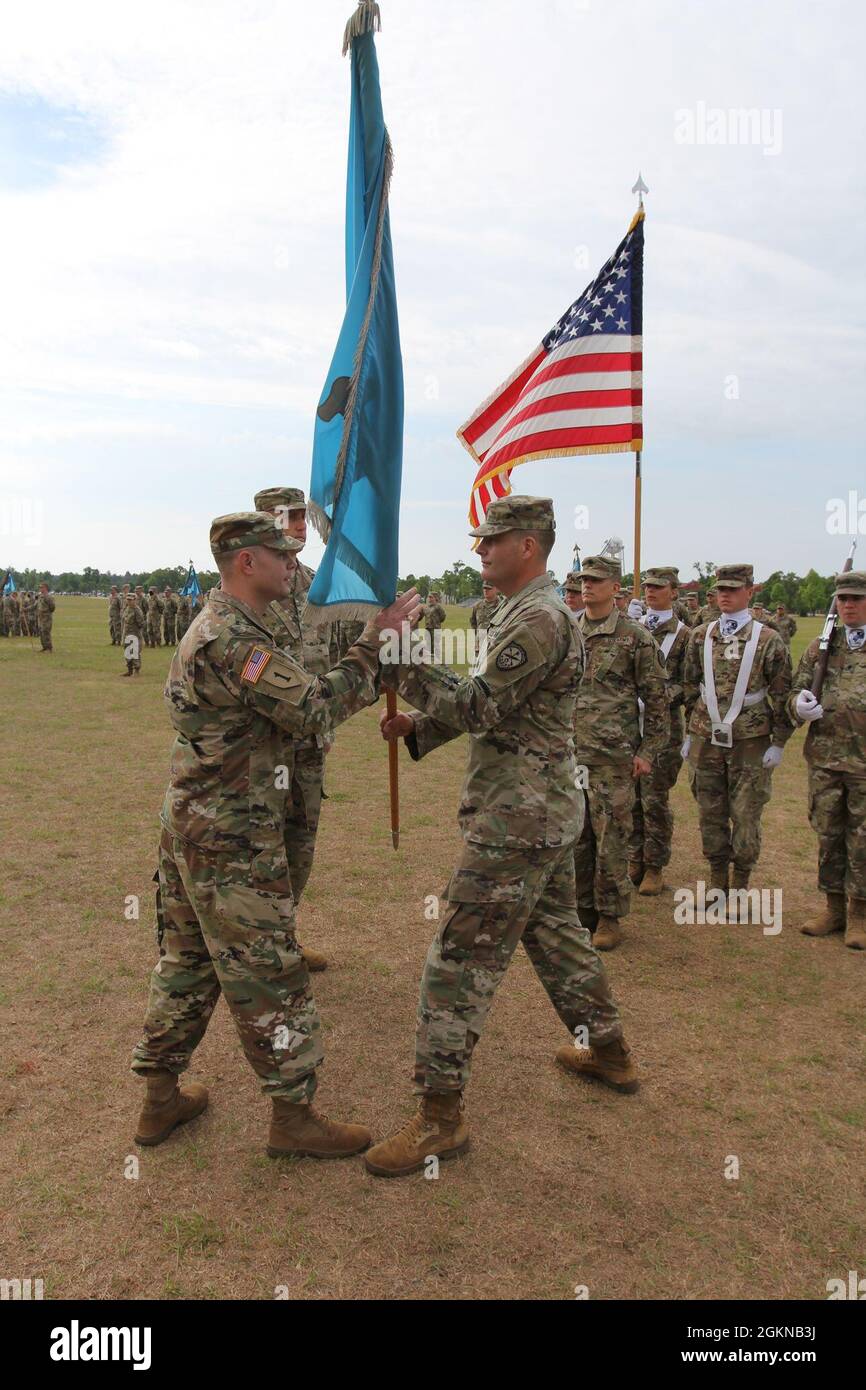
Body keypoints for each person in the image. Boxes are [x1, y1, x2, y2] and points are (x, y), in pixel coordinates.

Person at [131, 511, 420, 1157]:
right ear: (245, 563)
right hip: (232, 837)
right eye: (281, 554)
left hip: (194, 825)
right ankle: (293, 1116)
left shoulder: (228, 627)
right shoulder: (236, 641)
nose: (293, 564)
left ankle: (158, 1097)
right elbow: (314, 709)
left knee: (188, 963)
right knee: (271, 974)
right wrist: (375, 644)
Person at [365, 498, 637, 1180]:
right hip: (537, 814)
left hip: (517, 824)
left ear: (528, 543)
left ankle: (440, 1119)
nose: (480, 550)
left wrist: (401, 660)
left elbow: (483, 703)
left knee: (456, 963)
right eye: (479, 541)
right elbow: (502, 708)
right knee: (558, 939)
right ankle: (609, 1053)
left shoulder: (540, 617)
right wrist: (421, 730)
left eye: (491, 541)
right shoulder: (526, 610)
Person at [253, 486, 335, 974]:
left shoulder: (313, 583)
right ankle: (257, 948)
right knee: (262, 849)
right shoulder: (252, 588)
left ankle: (285, 936)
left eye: (305, 517)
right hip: (263, 749)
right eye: (291, 517)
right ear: (264, 521)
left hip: (309, 743)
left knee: (299, 848)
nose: (302, 525)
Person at [683, 563, 793, 914]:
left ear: (750, 592)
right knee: (710, 813)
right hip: (706, 737)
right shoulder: (701, 635)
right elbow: (690, 685)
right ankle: (717, 884)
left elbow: (782, 694)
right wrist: (689, 729)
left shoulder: (768, 639)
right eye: (721, 590)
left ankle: (741, 888)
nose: (725, 596)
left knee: (746, 814)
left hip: (751, 740)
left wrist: (778, 741)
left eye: (733, 589)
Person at [572, 559, 667, 950]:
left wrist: (648, 751)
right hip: (571, 754)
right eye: (583, 580)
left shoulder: (635, 637)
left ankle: (609, 917)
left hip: (614, 758)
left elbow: (658, 701)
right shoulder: (568, 631)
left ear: (615, 587)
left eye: (595, 580)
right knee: (575, 838)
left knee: (611, 839)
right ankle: (581, 912)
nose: (586, 586)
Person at [790, 570, 866, 949]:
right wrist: (797, 705)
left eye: (856, 599)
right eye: (843, 599)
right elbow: (796, 686)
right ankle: (833, 908)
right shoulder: (822, 644)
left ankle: (859, 914)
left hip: (864, 763)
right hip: (824, 758)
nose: (848, 605)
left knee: (862, 838)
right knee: (828, 833)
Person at [628, 567, 690, 896]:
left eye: (658, 586)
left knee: (654, 799)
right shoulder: (633, 628)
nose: (651, 591)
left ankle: (655, 866)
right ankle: (634, 858)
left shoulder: (684, 635)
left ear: (673, 591)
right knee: (630, 799)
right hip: (628, 727)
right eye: (648, 586)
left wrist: (657, 696)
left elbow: (689, 683)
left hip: (662, 728)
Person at [121, 593, 145, 676]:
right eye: (128, 599)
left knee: (134, 652)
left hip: (135, 635)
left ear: (135, 600)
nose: (129, 601)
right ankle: (129, 670)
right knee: (127, 652)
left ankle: (136, 670)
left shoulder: (137, 610)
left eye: (130, 600)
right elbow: (124, 621)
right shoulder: (127, 609)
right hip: (127, 634)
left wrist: (138, 635)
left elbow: (141, 624)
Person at [36, 583, 55, 652]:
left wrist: (46, 613)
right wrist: (25, 609)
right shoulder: (40, 597)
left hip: (46, 618)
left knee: (46, 632)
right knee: (41, 633)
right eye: (40, 587)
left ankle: (49, 648)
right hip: (40, 618)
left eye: (41, 587)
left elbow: (52, 607)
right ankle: (44, 647)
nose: (40, 589)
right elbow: (36, 606)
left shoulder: (48, 597)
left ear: (45, 588)